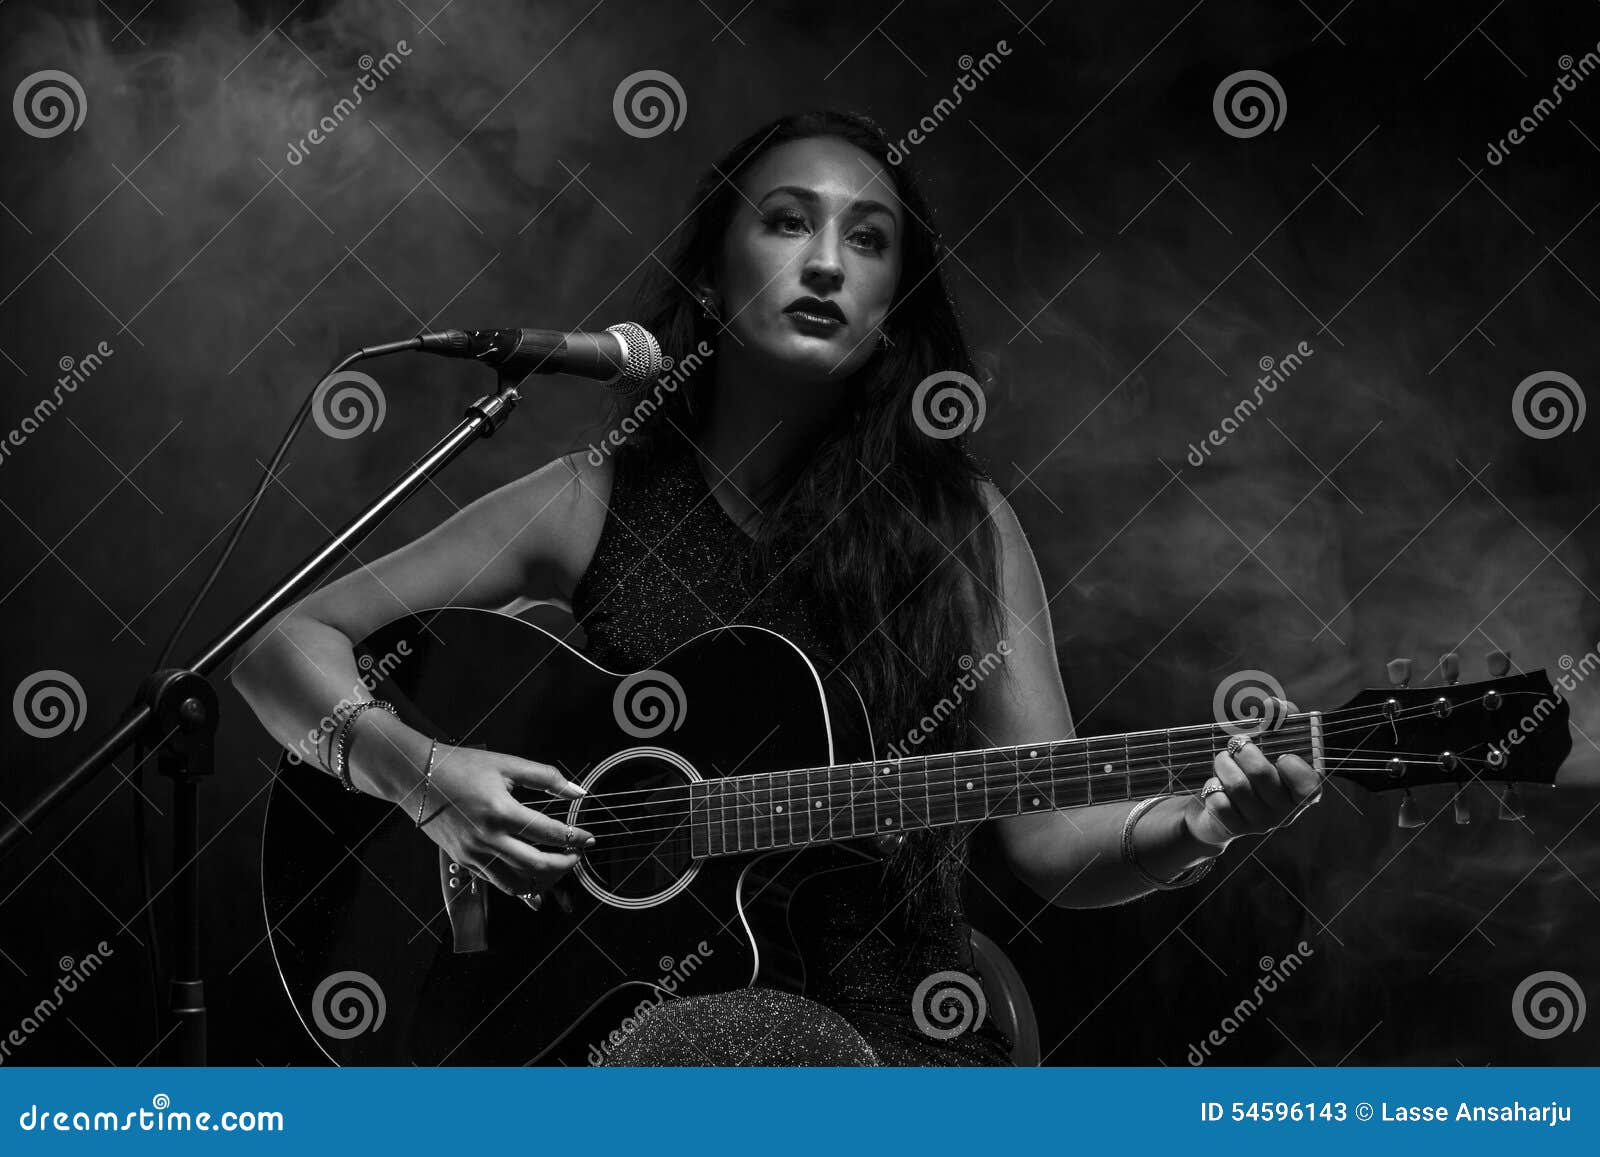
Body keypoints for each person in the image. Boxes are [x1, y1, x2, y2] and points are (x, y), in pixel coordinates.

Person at [230, 108, 1322, 1066]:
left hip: (896, 1043)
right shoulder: (589, 498)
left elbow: (1053, 840)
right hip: (621, 1035)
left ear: (892, 304)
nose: (829, 263)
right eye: (789, 222)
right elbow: (281, 650)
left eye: (870, 239)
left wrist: (1203, 821)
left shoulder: (958, 524)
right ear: (711, 274)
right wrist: (423, 778)